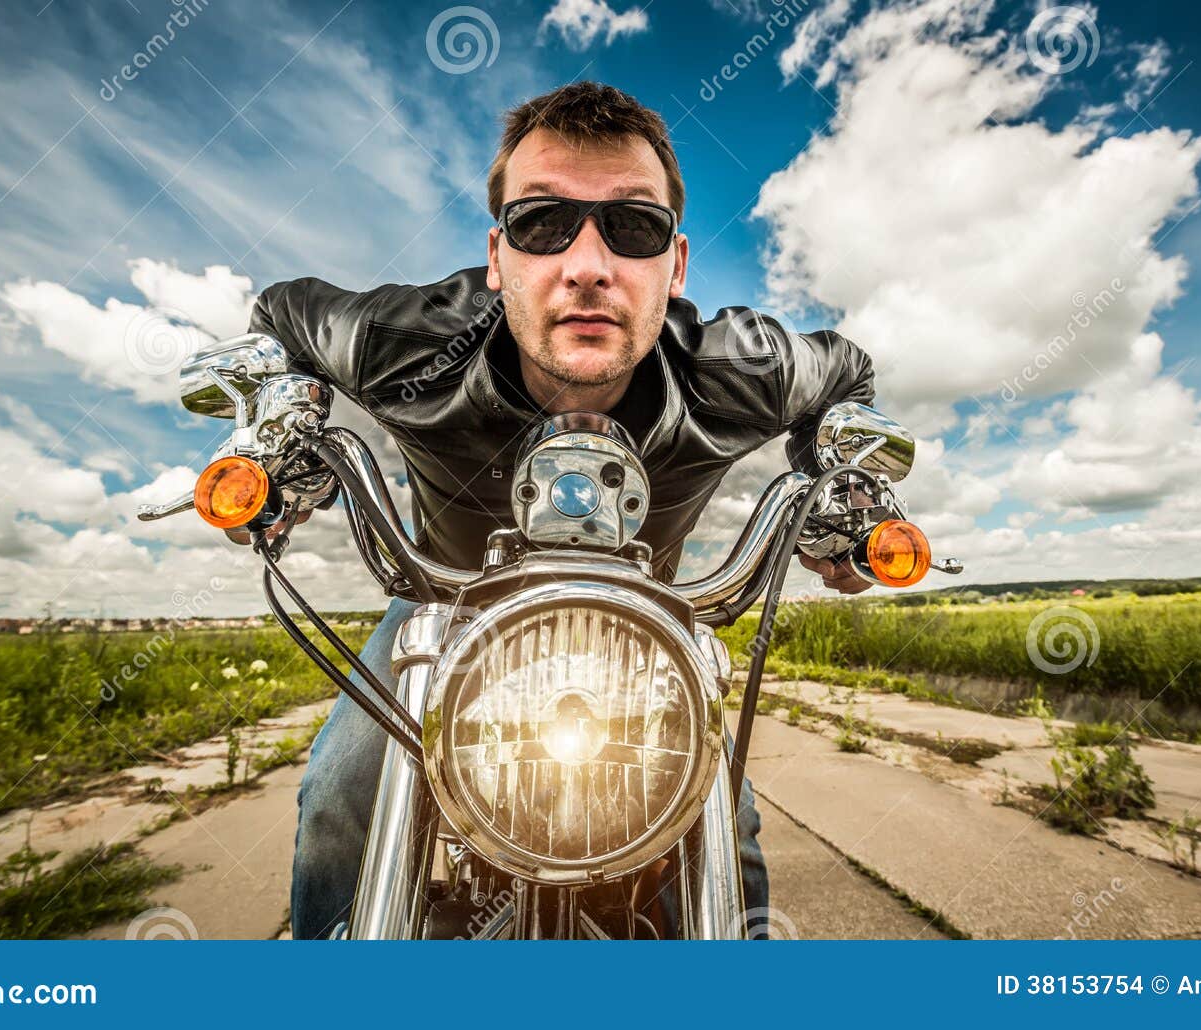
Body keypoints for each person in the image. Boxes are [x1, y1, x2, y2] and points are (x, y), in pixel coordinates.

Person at [248, 80, 876, 939]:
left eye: (632, 226)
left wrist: (842, 487)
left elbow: (848, 373)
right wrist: (283, 438)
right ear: (499, 254)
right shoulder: (402, 341)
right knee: (338, 797)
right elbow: (280, 317)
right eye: (543, 223)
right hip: (443, 605)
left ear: (676, 264)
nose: (587, 264)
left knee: (729, 822)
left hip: (646, 619)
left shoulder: (746, 368)